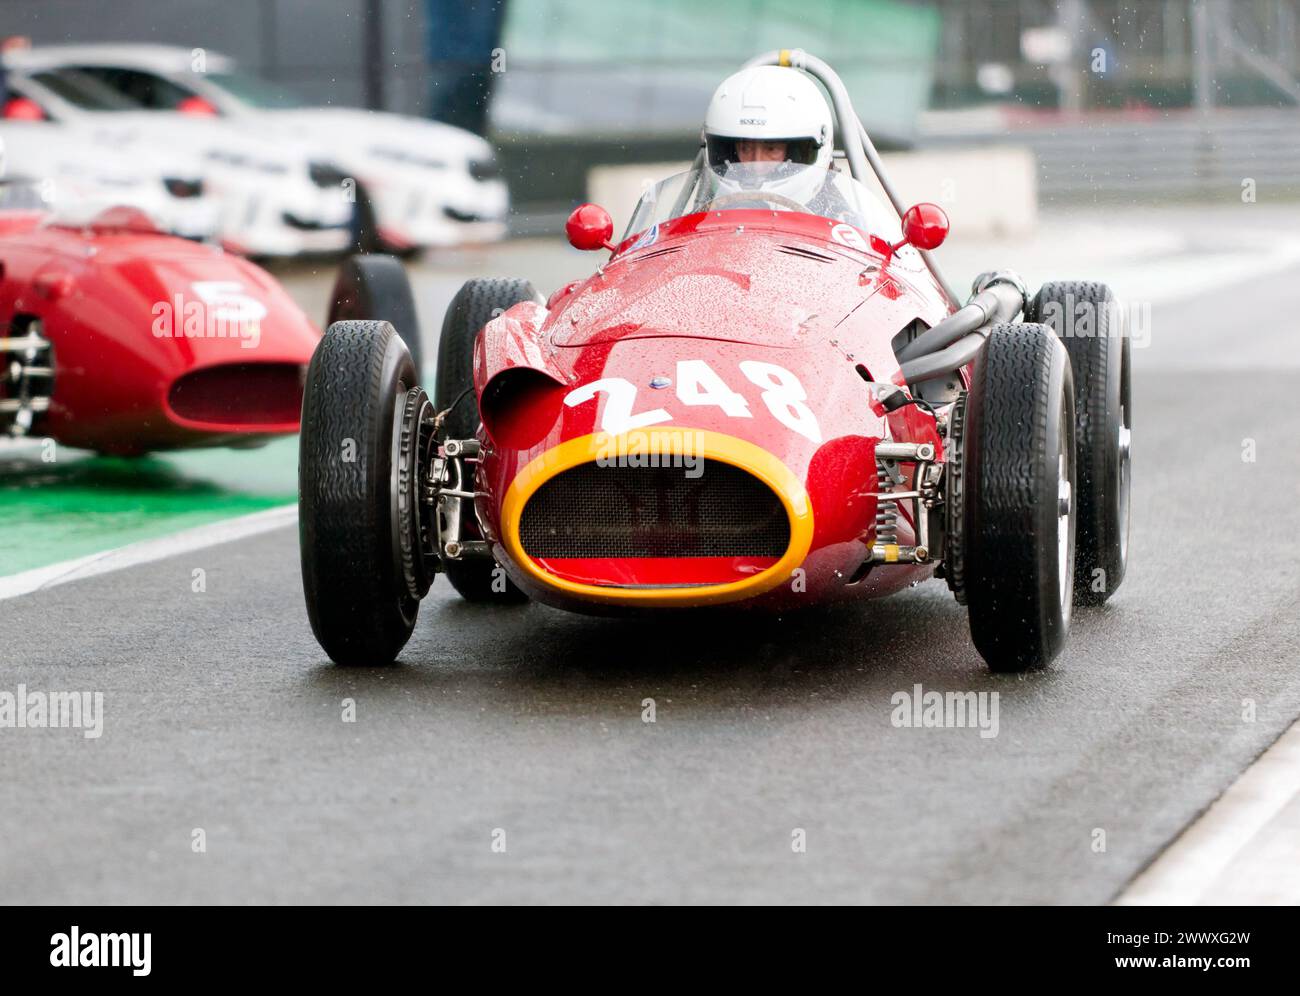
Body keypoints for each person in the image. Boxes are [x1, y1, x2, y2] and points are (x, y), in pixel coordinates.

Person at [697, 65, 863, 227]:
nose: (757, 164)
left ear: (798, 151)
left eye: (771, 149)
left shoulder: (840, 222)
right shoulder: (706, 215)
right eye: (745, 149)